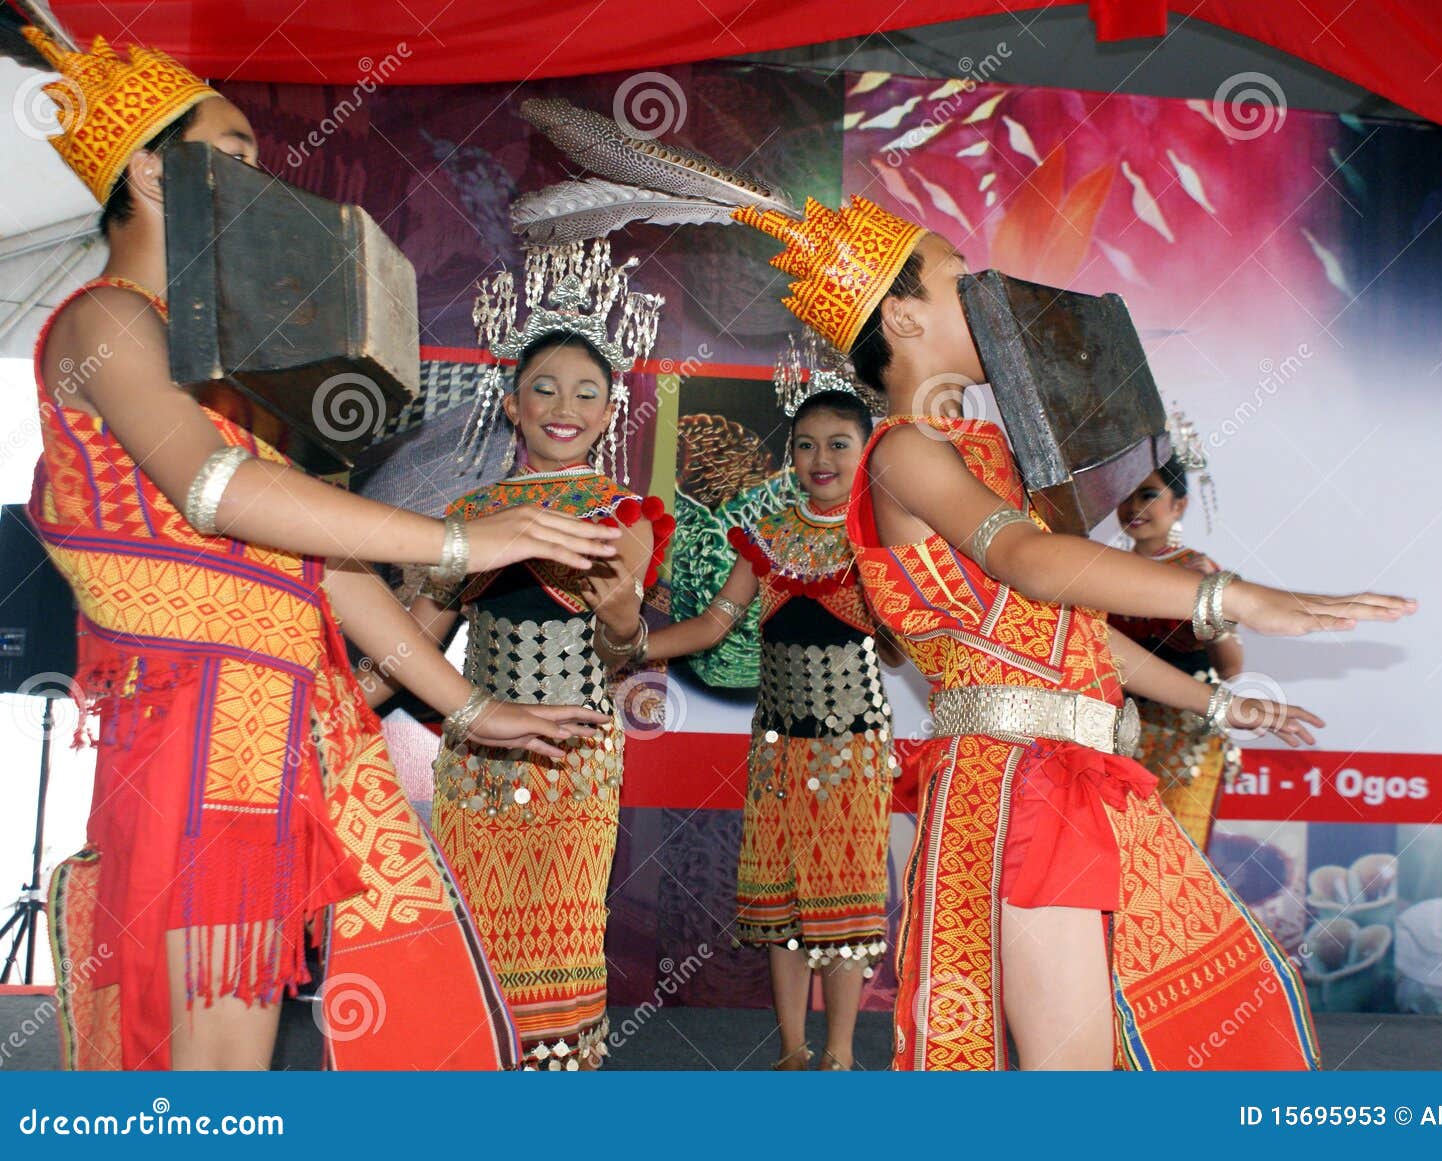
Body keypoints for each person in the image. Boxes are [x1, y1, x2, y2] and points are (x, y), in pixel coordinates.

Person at [23, 29, 619, 1071]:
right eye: (239, 156)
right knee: (210, 1053)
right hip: (200, 720)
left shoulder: (227, 361)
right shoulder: (106, 324)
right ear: (155, 173)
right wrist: (458, 537)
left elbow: (321, 567)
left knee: (237, 1043)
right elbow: (218, 493)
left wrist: (471, 708)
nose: (264, 184)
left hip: (267, 716)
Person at [734, 195, 1417, 1070]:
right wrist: (1232, 597)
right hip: (1015, 784)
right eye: (958, 278)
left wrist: (1216, 702)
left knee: (1183, 1024)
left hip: (1066, 772)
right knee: (1077, 1078)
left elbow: (1068, 630)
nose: (988, 292)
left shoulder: (984, 452)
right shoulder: (904, 451)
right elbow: (1029, 562)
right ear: (903, 317)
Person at [399, 240, 673, 1069]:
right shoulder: (472, 512)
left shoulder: (624, 514)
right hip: (476, 757)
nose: (565, 405)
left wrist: (624, 619)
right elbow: (416, 640)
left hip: (574, 760)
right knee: (475, 939)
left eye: (587, 392)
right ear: (512, 403)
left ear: (608, 409)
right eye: (543, 388)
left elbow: (624, 660)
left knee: (560, 946)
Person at [646, 350, 894, 1070]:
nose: (820, 458)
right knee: (782, 905)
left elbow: (910, 643)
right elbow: (714, 624)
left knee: (843, 905)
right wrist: (636, 646)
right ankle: (792, 1047)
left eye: (838, 444)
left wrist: (882, 600)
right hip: (778, 746)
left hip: (854, 745)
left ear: (865, 451)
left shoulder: (880, 539)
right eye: (806, 444)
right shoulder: (765, 537)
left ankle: (841, 1053)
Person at [1108, 440, 1243, 850]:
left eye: (1148, 494)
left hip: (1187, 737)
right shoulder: (1100, 569)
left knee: (1177, 861)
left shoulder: (1198, 571)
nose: (1134, 507)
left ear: (1179, 506)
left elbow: (1232, 668)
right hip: (1117, 736)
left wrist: (1211, 607)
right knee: (1121, 860)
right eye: (1124, 496)